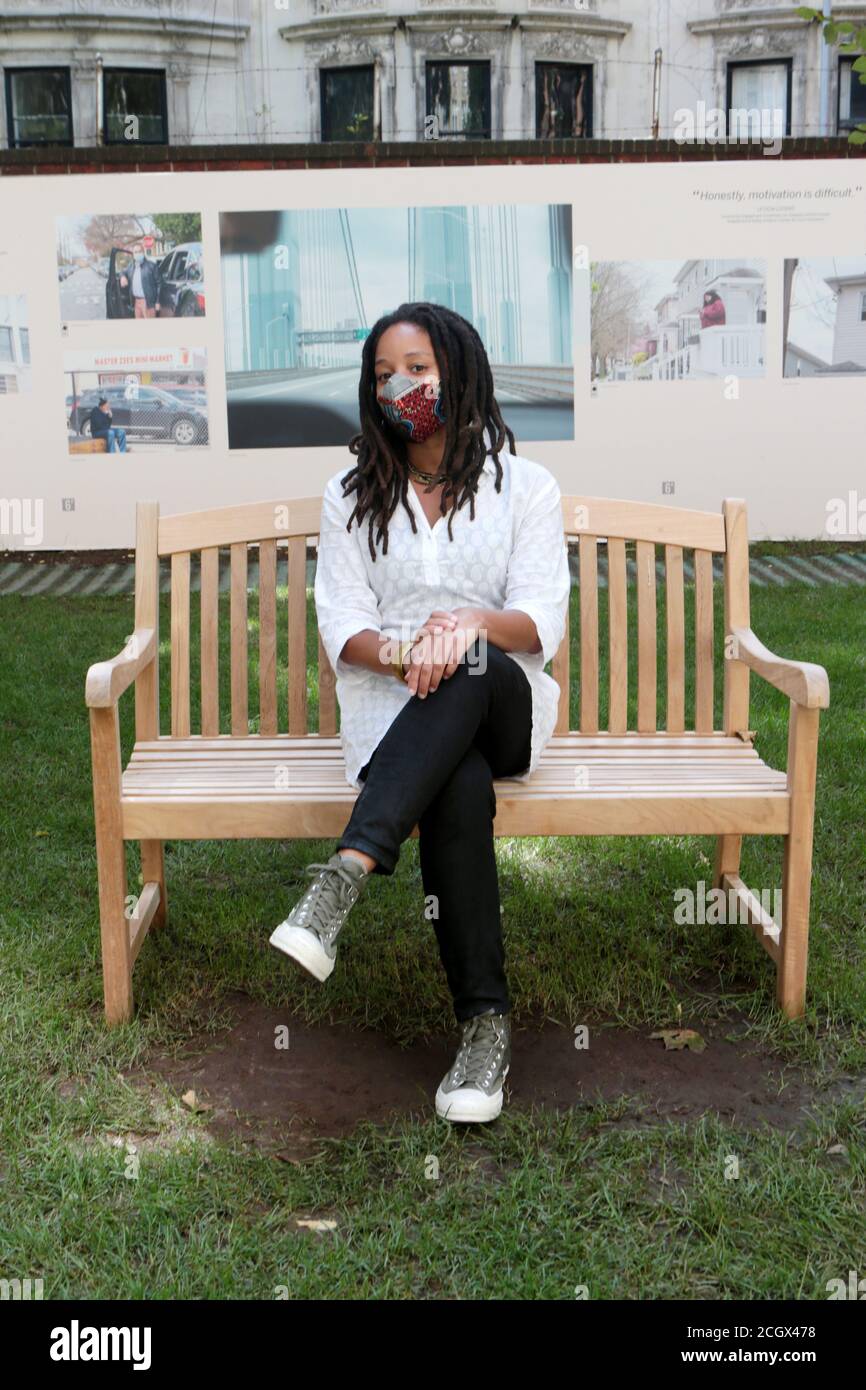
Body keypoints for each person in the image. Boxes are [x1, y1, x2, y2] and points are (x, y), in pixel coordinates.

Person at [268, 302, 570, 1125]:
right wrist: (408, 655)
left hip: (503, 705)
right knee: (457, 784)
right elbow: (343, 624)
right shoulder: (350, 495)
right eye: (383, 375)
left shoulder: (525, 485)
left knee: (472, 663)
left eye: (419, 369)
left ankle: (345, 876)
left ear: (459, 372)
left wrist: (466, 629)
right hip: (392, 716)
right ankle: (484, 1030)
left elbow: (542, 618)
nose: (401, 386)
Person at [119, 246, 161, 319]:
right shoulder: (131, 266)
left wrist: (158, 302)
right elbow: (123, 271)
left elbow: (159, 284)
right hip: (136, 302)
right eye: (135, 252)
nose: (137, 254)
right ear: (133, 254)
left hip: (148, 302)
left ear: (143, 252)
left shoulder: (151, 266)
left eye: (139, 251)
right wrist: (122, 276)